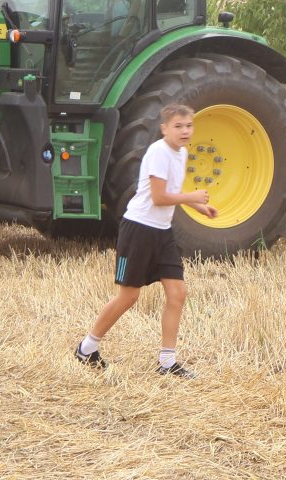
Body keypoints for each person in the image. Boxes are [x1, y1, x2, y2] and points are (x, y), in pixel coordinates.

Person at [75, 103, 216, 377]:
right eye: (178, 126)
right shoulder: (158, 152)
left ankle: (166, 363)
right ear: (164, 129)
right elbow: (159, 197)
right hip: (138, 230)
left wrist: (199, 207)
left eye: (189, 126)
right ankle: (87, 347)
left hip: (162, 232)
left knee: (178, 293)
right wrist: (192, 197)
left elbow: (172, 191)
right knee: (128, 297)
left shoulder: (182, 153)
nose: (185, 131)